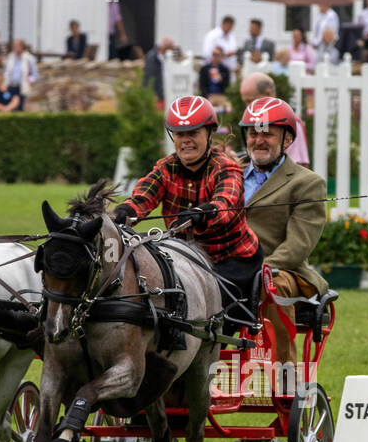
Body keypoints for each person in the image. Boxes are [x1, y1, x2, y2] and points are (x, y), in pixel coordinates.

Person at [111, 95, 262, 324]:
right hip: (184, 258)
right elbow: (142, 198)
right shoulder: (166, 168)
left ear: (209, 134)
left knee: (211, 308)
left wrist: (204, 212)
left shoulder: (226, 167)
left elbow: (226, 205)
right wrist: (123, 212)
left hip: (230, 260)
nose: (186, 141)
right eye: (181, 134)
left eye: (193, 133)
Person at [235, 98, 328, 369]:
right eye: (253, 133)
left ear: (287, 140)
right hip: (226, 266)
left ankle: (284, 373)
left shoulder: (307, 183)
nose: (259, 140)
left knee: (269, 285)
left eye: (268, 133)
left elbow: (298, 246)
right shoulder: (227, 172)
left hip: (281, 269)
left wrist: (257, 270)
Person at [240, 72, 309, 166]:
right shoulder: (256, 121)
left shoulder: (288, 122)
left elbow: (299, 165)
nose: (248, 107)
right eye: (253, 134)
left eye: (251, 101)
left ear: (269, 94)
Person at [4, 38, 37, 111]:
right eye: (14, 45)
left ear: (22, 46)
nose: (15, 47)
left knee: (20, 108)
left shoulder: (29, 58)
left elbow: (34, 74)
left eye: (16, 45)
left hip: (22, 87)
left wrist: (31, 81)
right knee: (9, 104)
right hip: (10, 86)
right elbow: (6, 72)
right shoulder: (10, 57)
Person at [143, 37, 175, 105]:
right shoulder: (152, 57)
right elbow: (149, 77)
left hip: (166, 93)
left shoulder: (168, 58)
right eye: (171, 48)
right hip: (156, 95)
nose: (172, 51)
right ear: (165, 48)